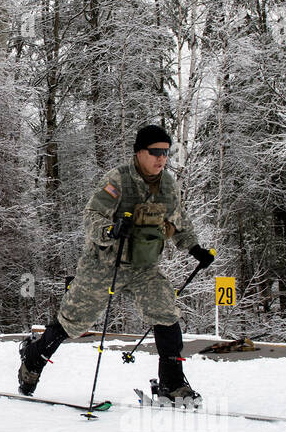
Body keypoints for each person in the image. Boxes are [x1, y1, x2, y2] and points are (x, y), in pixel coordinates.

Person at [18, 124, 215, 404]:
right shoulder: (118, 180)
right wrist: (111, 230)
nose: (161, 158)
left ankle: (172, 383)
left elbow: (179, 221)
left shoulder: (167, 185)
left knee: (166, 312)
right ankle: (34, 357)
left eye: (166, 153)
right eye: (155, 152)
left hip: (142, 268)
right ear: (139, 152)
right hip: (104, 265)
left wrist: (196, 249)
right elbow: (92, 216)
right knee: (73, 322)